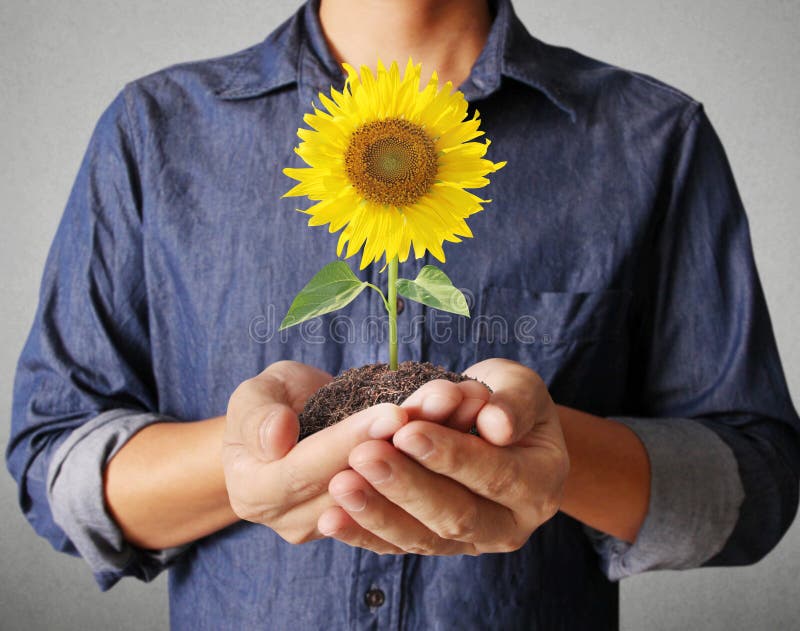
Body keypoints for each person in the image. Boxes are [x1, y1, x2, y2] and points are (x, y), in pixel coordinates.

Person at [7, 0, 799, 628]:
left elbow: (757, 485)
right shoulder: (157, 130)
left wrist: (555, 454)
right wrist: (244, 460)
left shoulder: (650, 137)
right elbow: (52, 461)